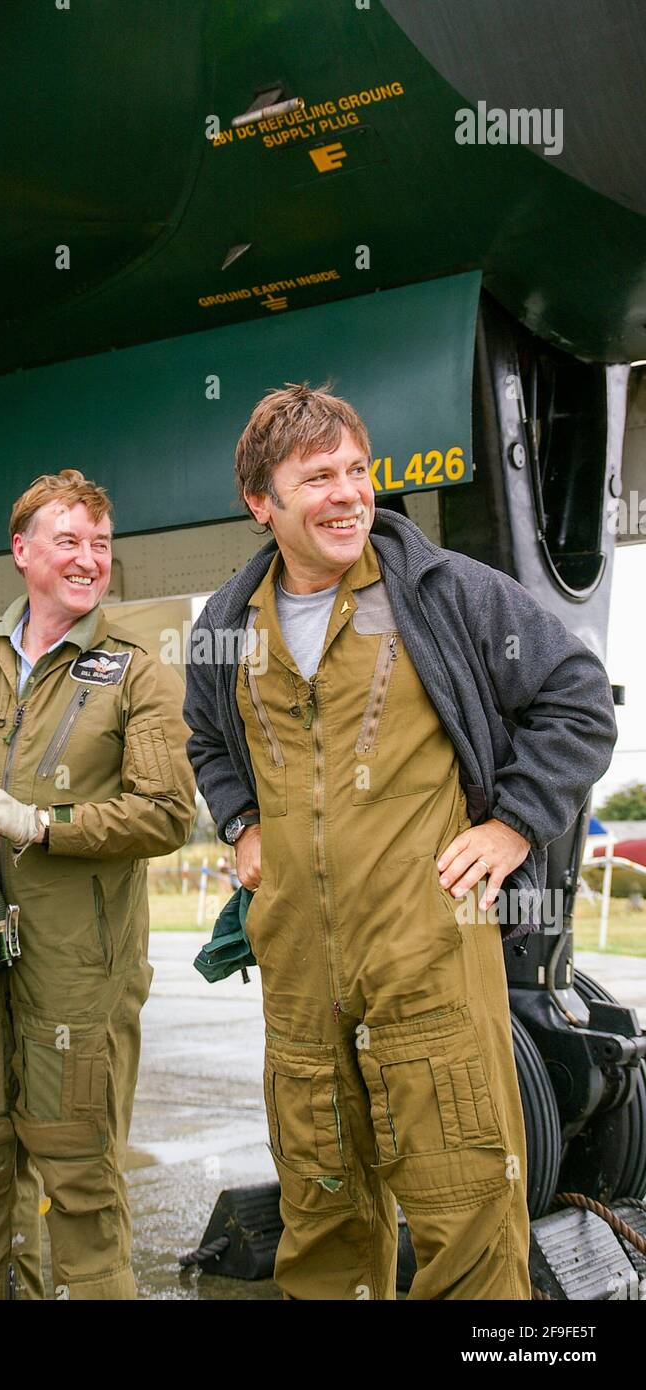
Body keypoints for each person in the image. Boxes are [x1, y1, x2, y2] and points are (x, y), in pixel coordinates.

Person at [182, 383, 617, 1300]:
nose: (348, 495)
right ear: (263, 504)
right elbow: (209, 740)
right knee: (323, 1207)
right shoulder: (228, 625)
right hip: (298, 962)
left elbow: (577, 696)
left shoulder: (443, 593)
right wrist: (240, 820)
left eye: (357, 471)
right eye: (318, 478)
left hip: (426, 954)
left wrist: (510, 826)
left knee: (465, 1209)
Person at [0, 468, 196, 1300]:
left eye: (100, 544)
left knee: (80, 1179)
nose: (89, 558)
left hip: (79, 973)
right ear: (23, 551)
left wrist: (39, 823)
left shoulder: (136, 673)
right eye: (68, 540)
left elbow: (166, 814)